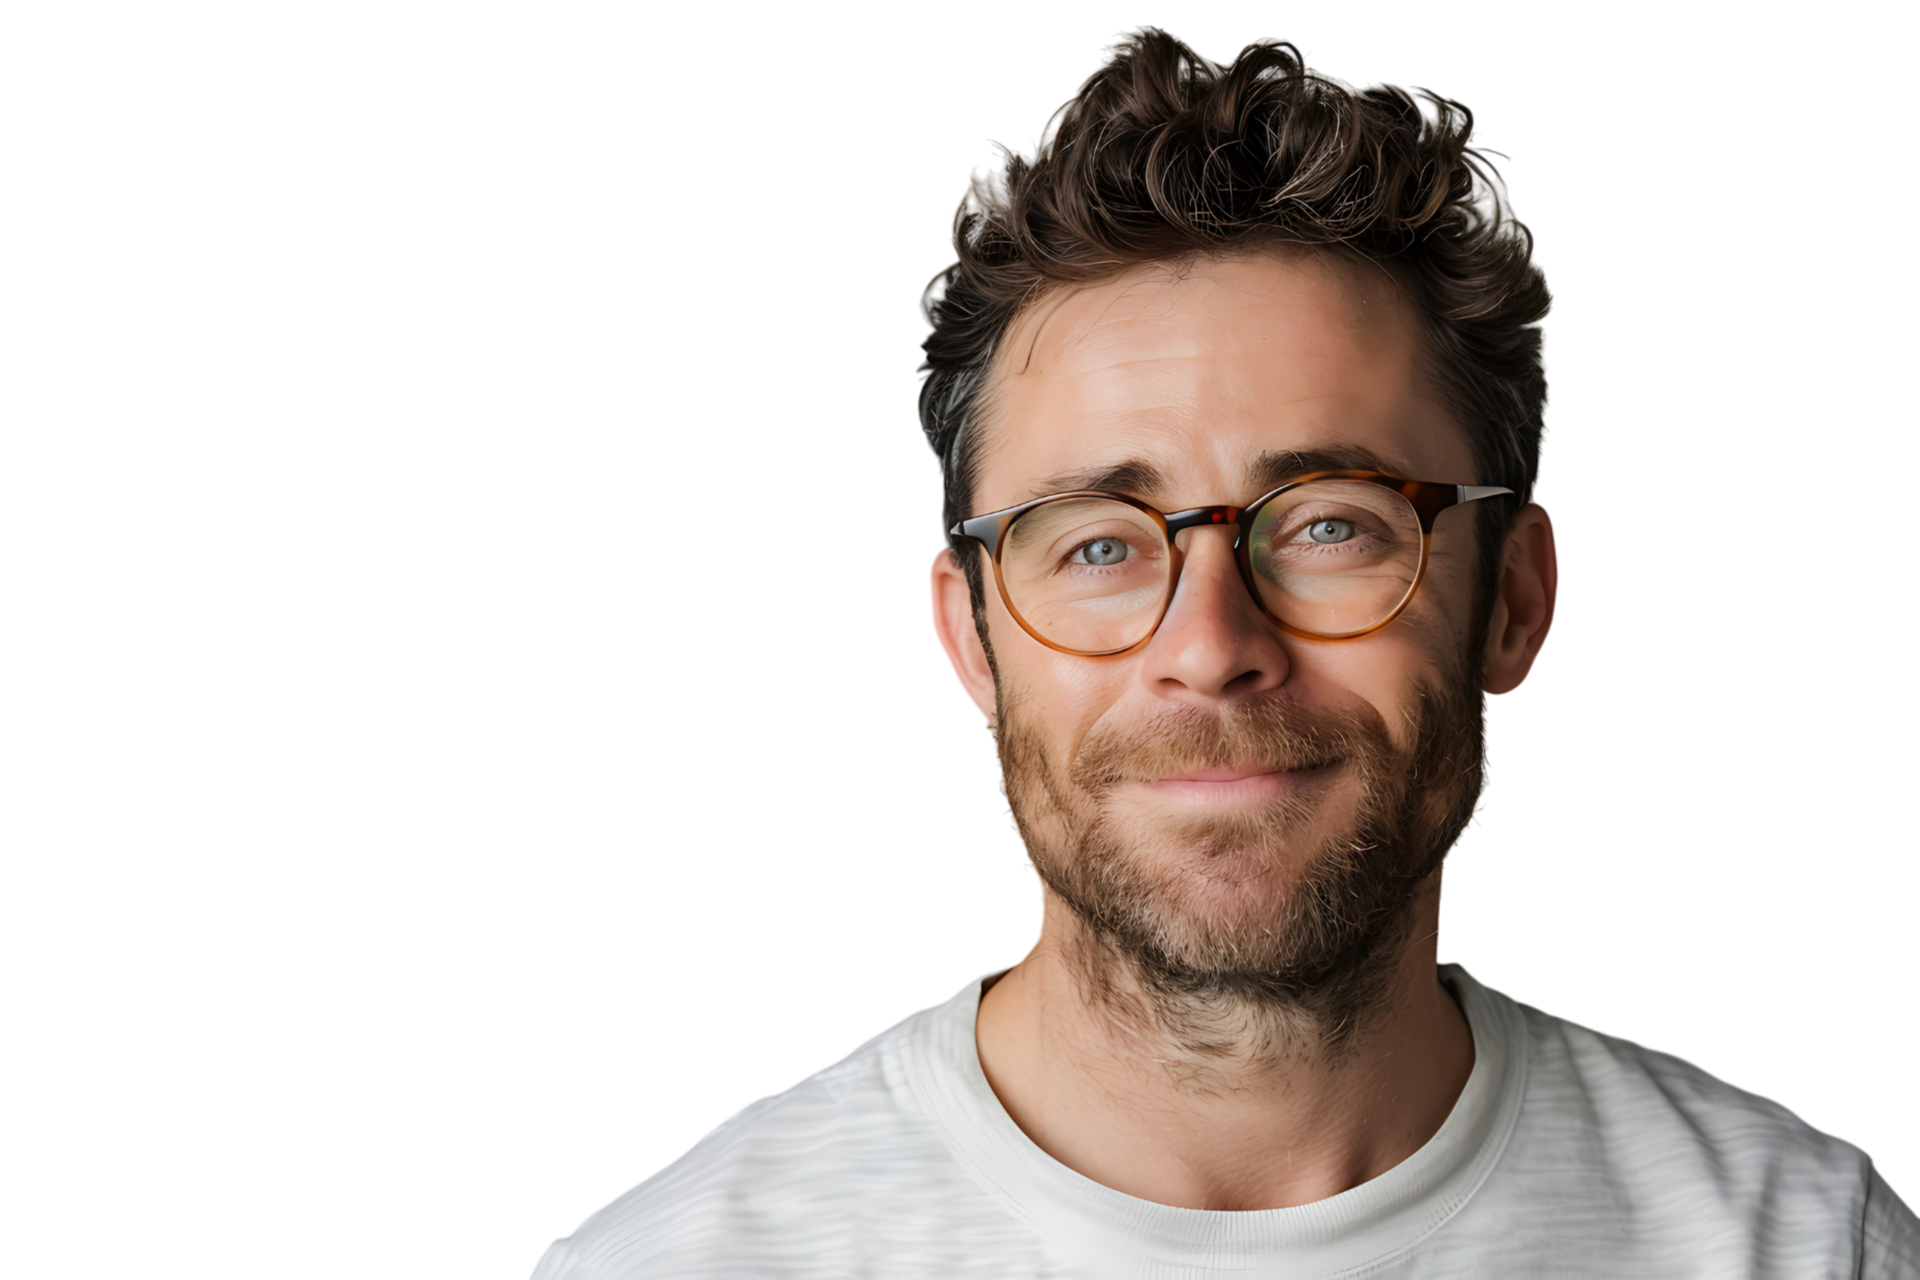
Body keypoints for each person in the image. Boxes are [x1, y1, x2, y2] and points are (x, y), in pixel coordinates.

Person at [530, 27, 1917, 1277]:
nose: (1211, 649)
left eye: (1328, 527)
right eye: (1097, 542)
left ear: (1513, 600)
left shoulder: (1806, 1245)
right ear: (969, 638)